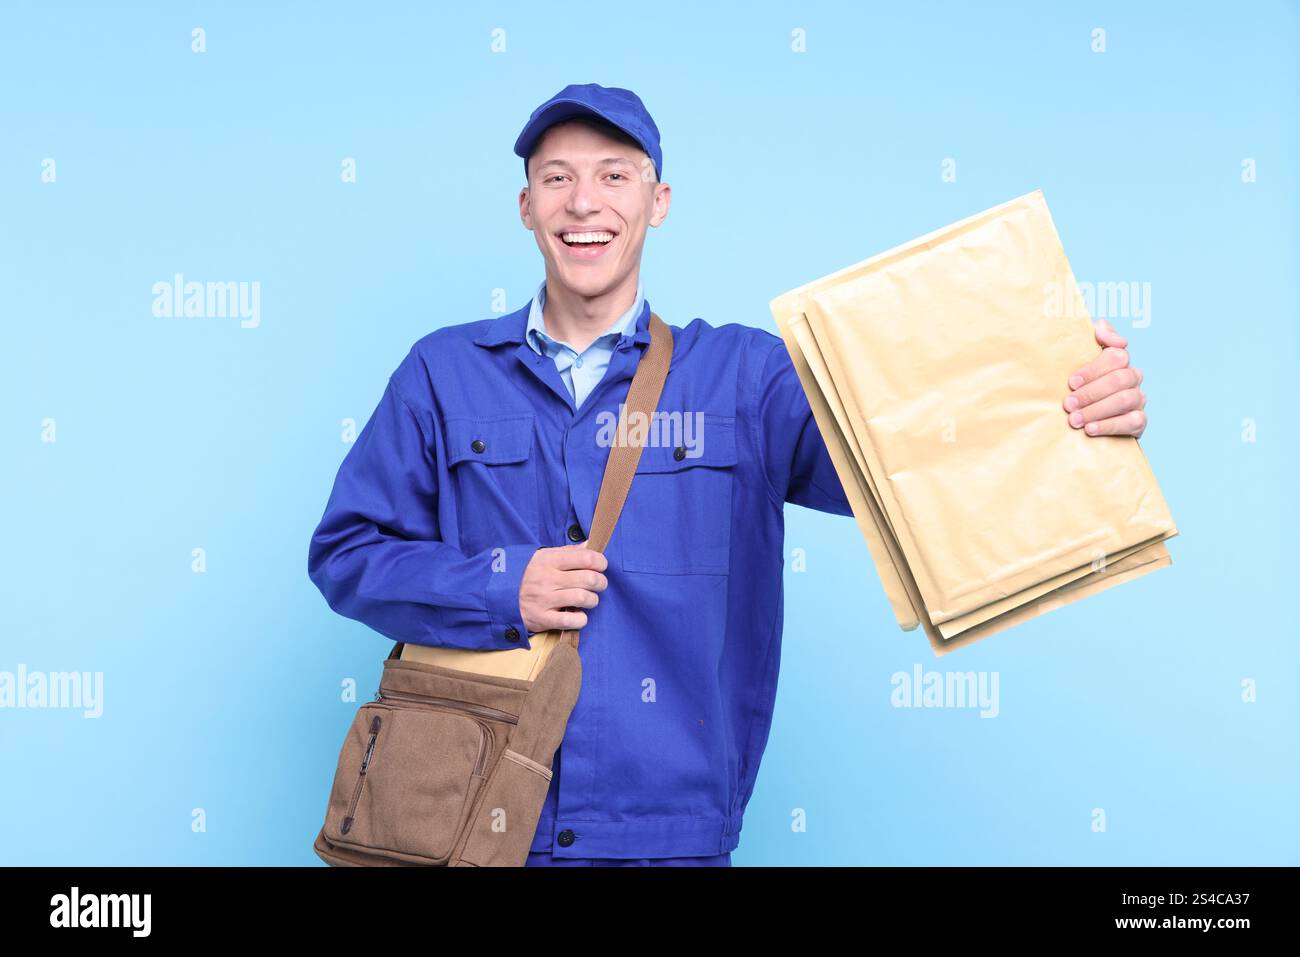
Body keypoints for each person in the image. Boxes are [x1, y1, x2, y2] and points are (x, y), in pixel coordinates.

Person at [307, 83, 1151, 867]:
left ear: (657, 202)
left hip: (671, 837)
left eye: (614, 175)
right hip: (473, 817)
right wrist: (501, 586)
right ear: (527, 205)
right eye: (556, 177)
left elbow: (904, 458)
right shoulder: (441, 370)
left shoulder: (748, 377)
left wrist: (1065, 404)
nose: (584, 201)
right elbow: (345, 554)